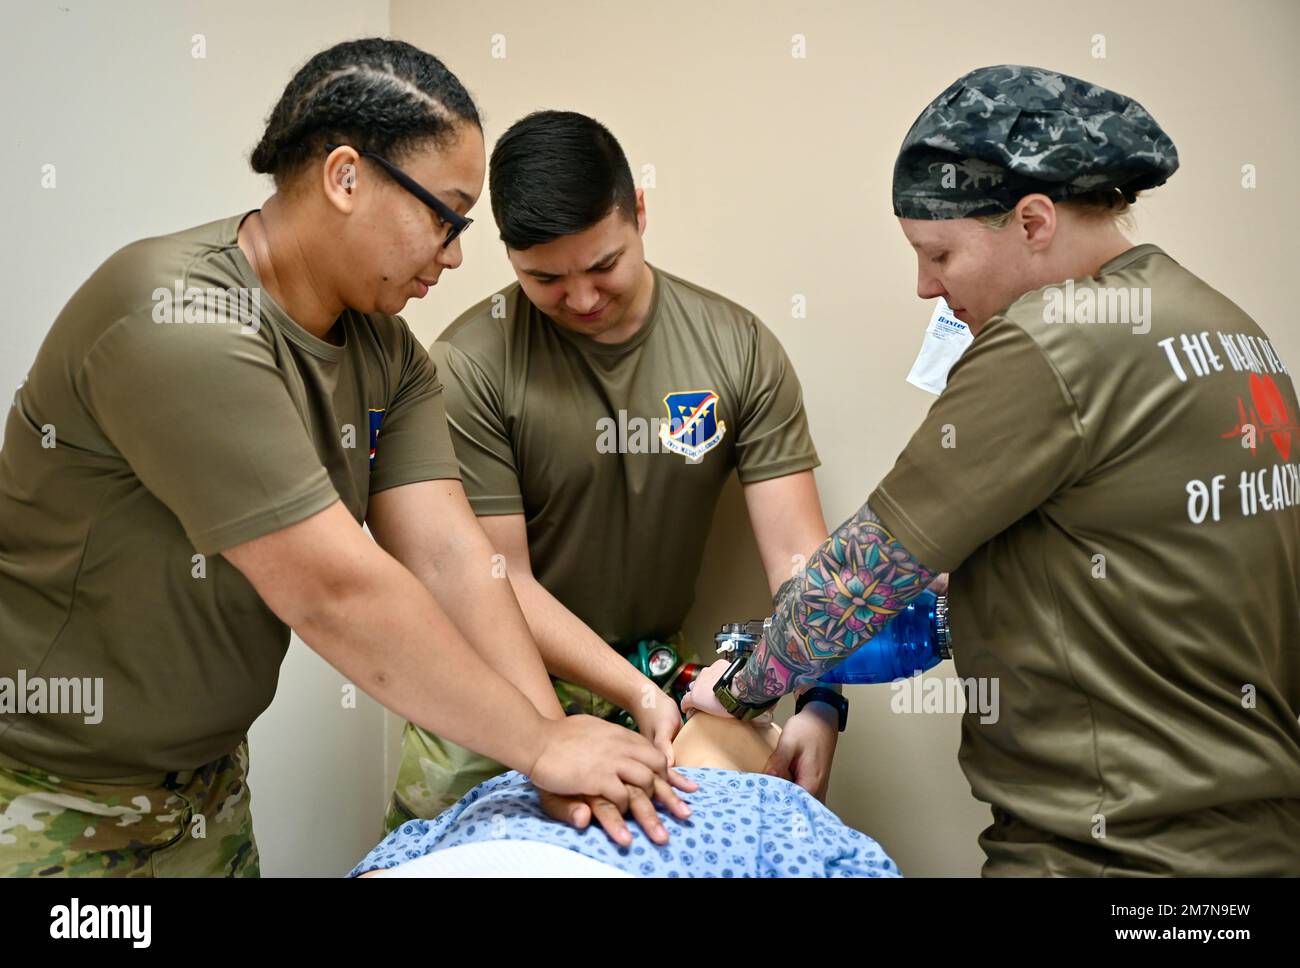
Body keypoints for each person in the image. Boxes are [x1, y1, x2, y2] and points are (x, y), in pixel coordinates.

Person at [0, 38, 691, 879]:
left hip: (206, 790)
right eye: (445, 216)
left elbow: (453, 559)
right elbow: (331, 589)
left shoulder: (389, 356)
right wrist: (542, 745)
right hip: (44, 795)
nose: (454, 253)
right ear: (345, 178)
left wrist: (551, 741)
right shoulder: (177, 317)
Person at [685, 65, 1300, 876]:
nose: (925, 287)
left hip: (1113, 854)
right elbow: (1138, 562)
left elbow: (866, 570)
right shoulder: (1226, 328)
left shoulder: (1052, 339)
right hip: (1255, 843)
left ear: (1034, 220)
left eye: (938, 253)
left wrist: (743, 686)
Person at [387, 111, 847, 843]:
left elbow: (803, 561)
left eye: (603, 265)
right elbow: (497, 579)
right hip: (496, 698)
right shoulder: (470, 364)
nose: (581, 299)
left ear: (638, 211)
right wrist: (627, 695)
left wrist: (822, 697)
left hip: (655, 691)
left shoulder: (735, 347)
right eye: (544, 278)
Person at [357, 713, 900, 878]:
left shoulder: (780, 805)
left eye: (762, 719)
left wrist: (822, 697)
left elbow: (392, 856)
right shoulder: (531, 774)